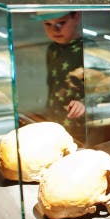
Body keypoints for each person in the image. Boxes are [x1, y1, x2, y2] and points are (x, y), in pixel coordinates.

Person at [40, 10, 86, 138]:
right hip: (54, 116)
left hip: (79, 122)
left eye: (61, 22)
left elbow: (100, 85)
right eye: (48, 24)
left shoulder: (86, 48)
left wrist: (84, 102)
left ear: (76, 16)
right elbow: (52, 85)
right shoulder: (52, 49)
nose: (55, 30)